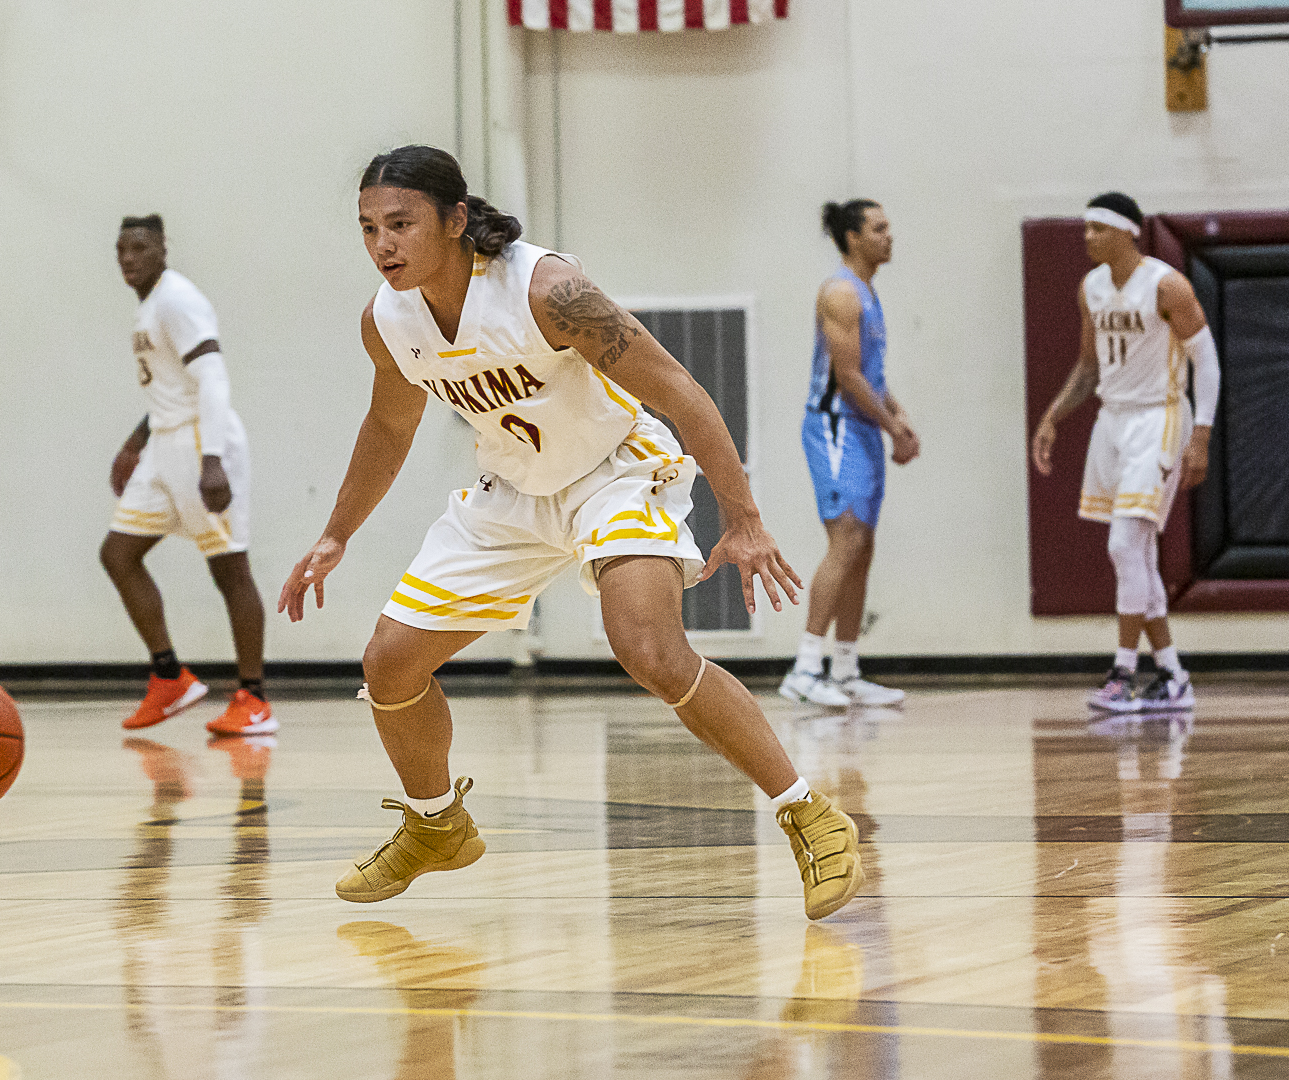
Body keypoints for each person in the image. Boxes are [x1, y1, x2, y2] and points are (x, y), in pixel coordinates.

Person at [278, 145, 864, 921]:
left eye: (400, 224)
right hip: (514, 487)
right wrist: (335, 533)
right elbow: (391, 422)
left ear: (456, 221)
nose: (383, 245)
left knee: (649, 650)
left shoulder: (547, 289)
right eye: (367, 228)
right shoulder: (388, 320)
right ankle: (434, 827)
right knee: (389, 663)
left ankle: (809, 814)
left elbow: (681, 391)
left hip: (613, 471)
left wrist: (745, 519)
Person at [1032, 192, 1216, 713]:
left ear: (1128, 231)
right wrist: (1052, 417)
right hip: (1111, 420)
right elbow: (1089, 367)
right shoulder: (1090, 287)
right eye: (1085, 229)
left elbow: (1210, 363)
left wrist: (1200, 435)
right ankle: (1174, 676)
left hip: (1160, 417)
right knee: (1138, 553)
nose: (1087, 237)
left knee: (1122, 546)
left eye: (1098, 229)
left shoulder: (1166, 284)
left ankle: (1125, 671)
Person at [102, 215, 272, 737]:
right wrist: (136, 441)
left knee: (229, 569)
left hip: (202, 440)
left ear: (162, 250)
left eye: (139, 247)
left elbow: (213, 379)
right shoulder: (151, 305)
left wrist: (213, 460)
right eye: (121, 249)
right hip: (165, 439)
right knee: (118, 554)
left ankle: (254, 698)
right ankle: (169, 676)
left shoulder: (177, 299)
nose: (128, 258)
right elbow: (170, 386)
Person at [779, 201, 917, 709]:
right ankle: (805, 667)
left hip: (863, 427)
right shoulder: (840, 292)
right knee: (846, 539)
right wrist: (893, 429)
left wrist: (898, 419)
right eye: (880, 228)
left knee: (864, 546)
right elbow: (848, 376)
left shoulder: (867, 293)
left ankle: (845, 667)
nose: (890, 236)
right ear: (853, 238)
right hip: (835, 426)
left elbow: (872, 375)